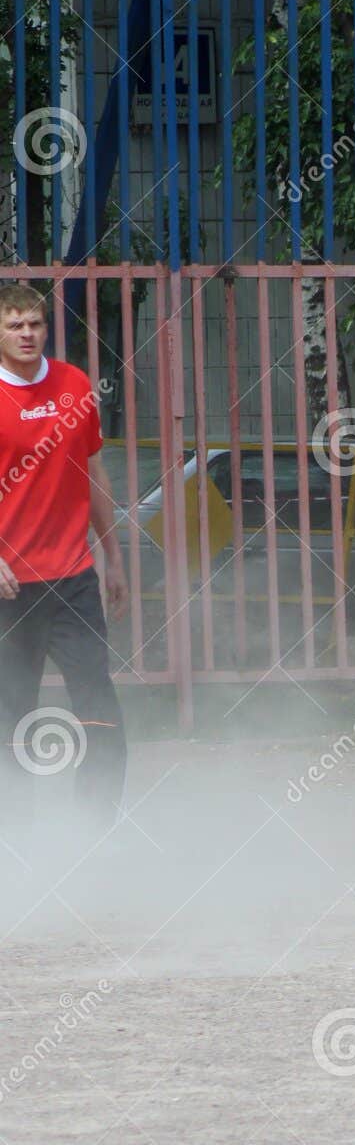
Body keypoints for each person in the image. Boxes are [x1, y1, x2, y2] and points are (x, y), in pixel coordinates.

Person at [0, 282, 130, 832]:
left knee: (100, 710)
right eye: (14, 324)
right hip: (10, 588)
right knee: (12, 718)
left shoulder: (75, 385)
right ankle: (15, 842)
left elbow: (93, 474)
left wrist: (113, 555)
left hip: (73, 580)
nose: (27, 333)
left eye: (35, 323)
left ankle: (94, 832)